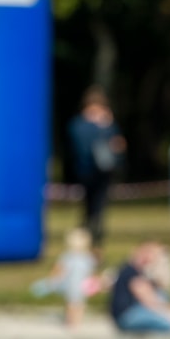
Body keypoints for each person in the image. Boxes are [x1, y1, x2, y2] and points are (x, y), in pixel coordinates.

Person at [67, 86, 126, 252]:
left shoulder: (81, 124)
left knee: (94, 210)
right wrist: (102, 127)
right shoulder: (84, 125)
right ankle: (90, 242)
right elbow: (88, 146)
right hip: (91, 172)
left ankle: (90, 242)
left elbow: (117, 145)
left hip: (98, 172)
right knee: (93, 210)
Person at [30, 226, 98, 328]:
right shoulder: (86, 257)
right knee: (79, 304)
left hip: (71, 284)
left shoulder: (68, 256)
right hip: (81, 285)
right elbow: (91, 271)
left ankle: (70, 321)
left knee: (71, 303)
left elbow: (59, 269)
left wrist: (53, 278)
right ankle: (76, 321)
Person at [109, 240, 170, 334]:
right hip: (127, 316)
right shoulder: (132, 271)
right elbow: (148, 299)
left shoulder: (132, 270)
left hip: (127, 315)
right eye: (153, 255)